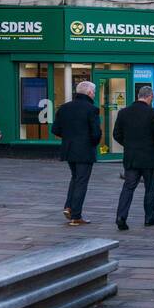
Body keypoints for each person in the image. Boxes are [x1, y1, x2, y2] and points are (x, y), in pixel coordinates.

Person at [112, 84, 154, 231]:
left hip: (131, 157)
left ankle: (121, 217)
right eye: (152, 97)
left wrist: (128, 145)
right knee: (150, 188)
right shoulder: (153, 113)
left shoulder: (123, 113)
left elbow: (116, 134)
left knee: (128, 188)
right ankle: (149, 218)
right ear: (149, 97)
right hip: (150, 158)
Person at [52, 80, 102, 225]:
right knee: (81, 181)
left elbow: (55, 129)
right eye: (94, 92)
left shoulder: (64, 108)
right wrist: (92, 143)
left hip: (69, 149)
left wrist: (69, 138)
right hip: (85, 150)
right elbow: (96, 133)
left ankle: (69, 207)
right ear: (89, 93)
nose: (94, 94)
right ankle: (76, 215)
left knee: (75, 178)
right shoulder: (91, 109)